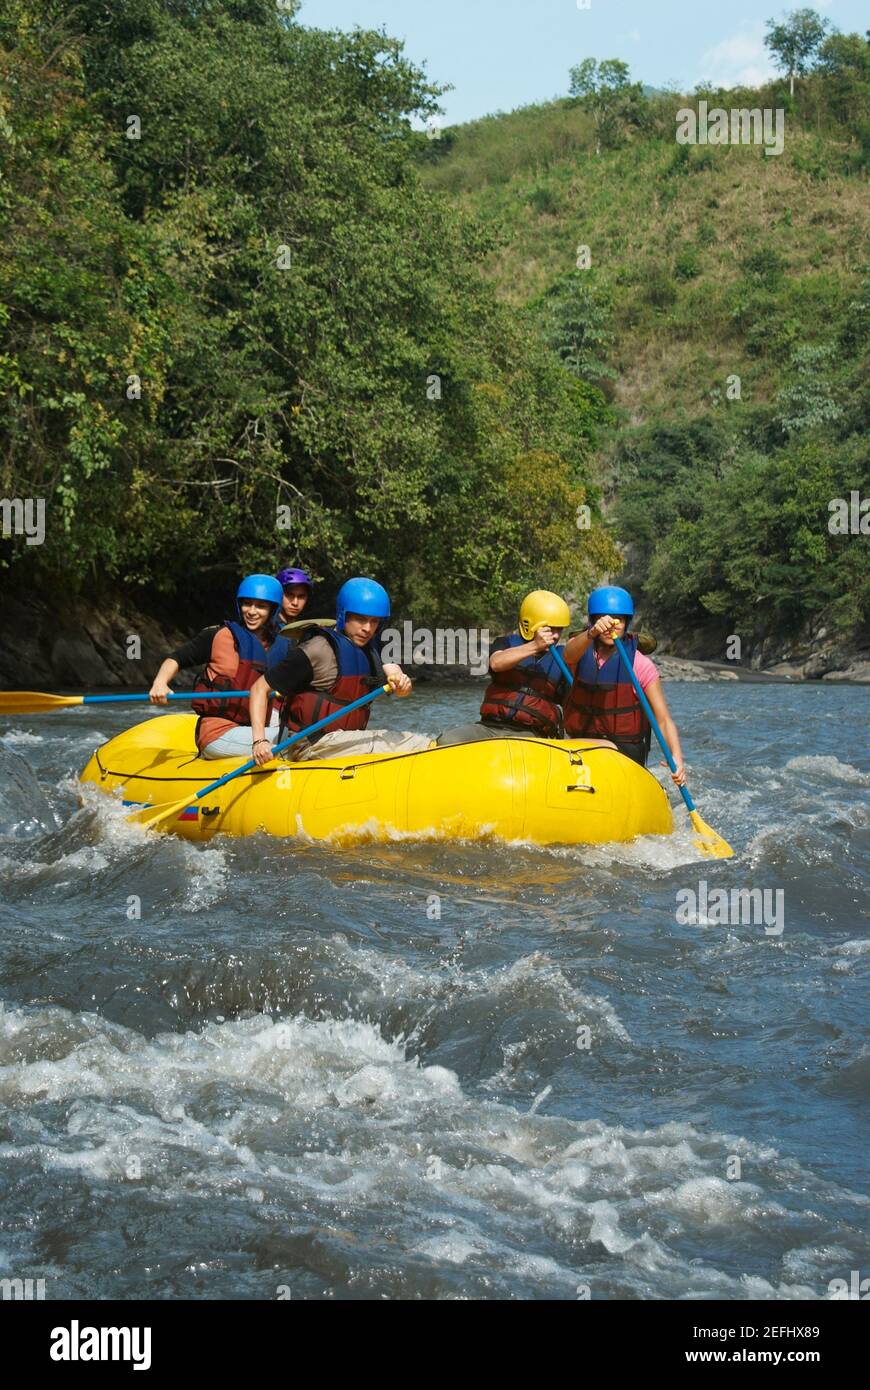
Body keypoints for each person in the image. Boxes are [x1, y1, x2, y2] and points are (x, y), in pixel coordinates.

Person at [248, 577, 426, 764]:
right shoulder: (317, 649)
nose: (367, 628)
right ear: (343, 615)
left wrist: (402, 685)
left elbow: (393, 670)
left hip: (344, 741)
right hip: (312, 745)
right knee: (407, 743)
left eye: (374, 622)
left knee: (400, 739)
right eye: (360, 619)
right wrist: (259, 741)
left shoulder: (369, 646)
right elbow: (259, 689)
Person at [435, 590, 617, 749]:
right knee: (447, 740)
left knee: (515, 753)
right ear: (530, 624)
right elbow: (496, 663)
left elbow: (576, 701)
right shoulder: (505, 643)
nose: (554, 635)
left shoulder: (564, 659)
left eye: (558, 630)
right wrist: (535, 646)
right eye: (549, 629)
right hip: (489, 728)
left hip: (532, 736)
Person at [149, 574, 289, 759]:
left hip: (254, 730)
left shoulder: (283, 645)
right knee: (294, 738)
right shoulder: (218, 636)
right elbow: (176, 658)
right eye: (247, 604)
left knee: (301, 730)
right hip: (218, 733)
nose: (252, 611)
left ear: (273, 609)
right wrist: (160, 682)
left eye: (261, 606)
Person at [561, 585, 687, 785]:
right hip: (579, 748)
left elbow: (663, 719)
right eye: (602, 618)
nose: (611, 624)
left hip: (624, 754)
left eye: (618, 619)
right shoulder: (581, 651)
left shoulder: (640, 664)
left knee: (575, 747)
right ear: (593, 621)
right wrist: (591, 633)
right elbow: (567, 655)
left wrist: (677, 757)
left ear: (627, 622)